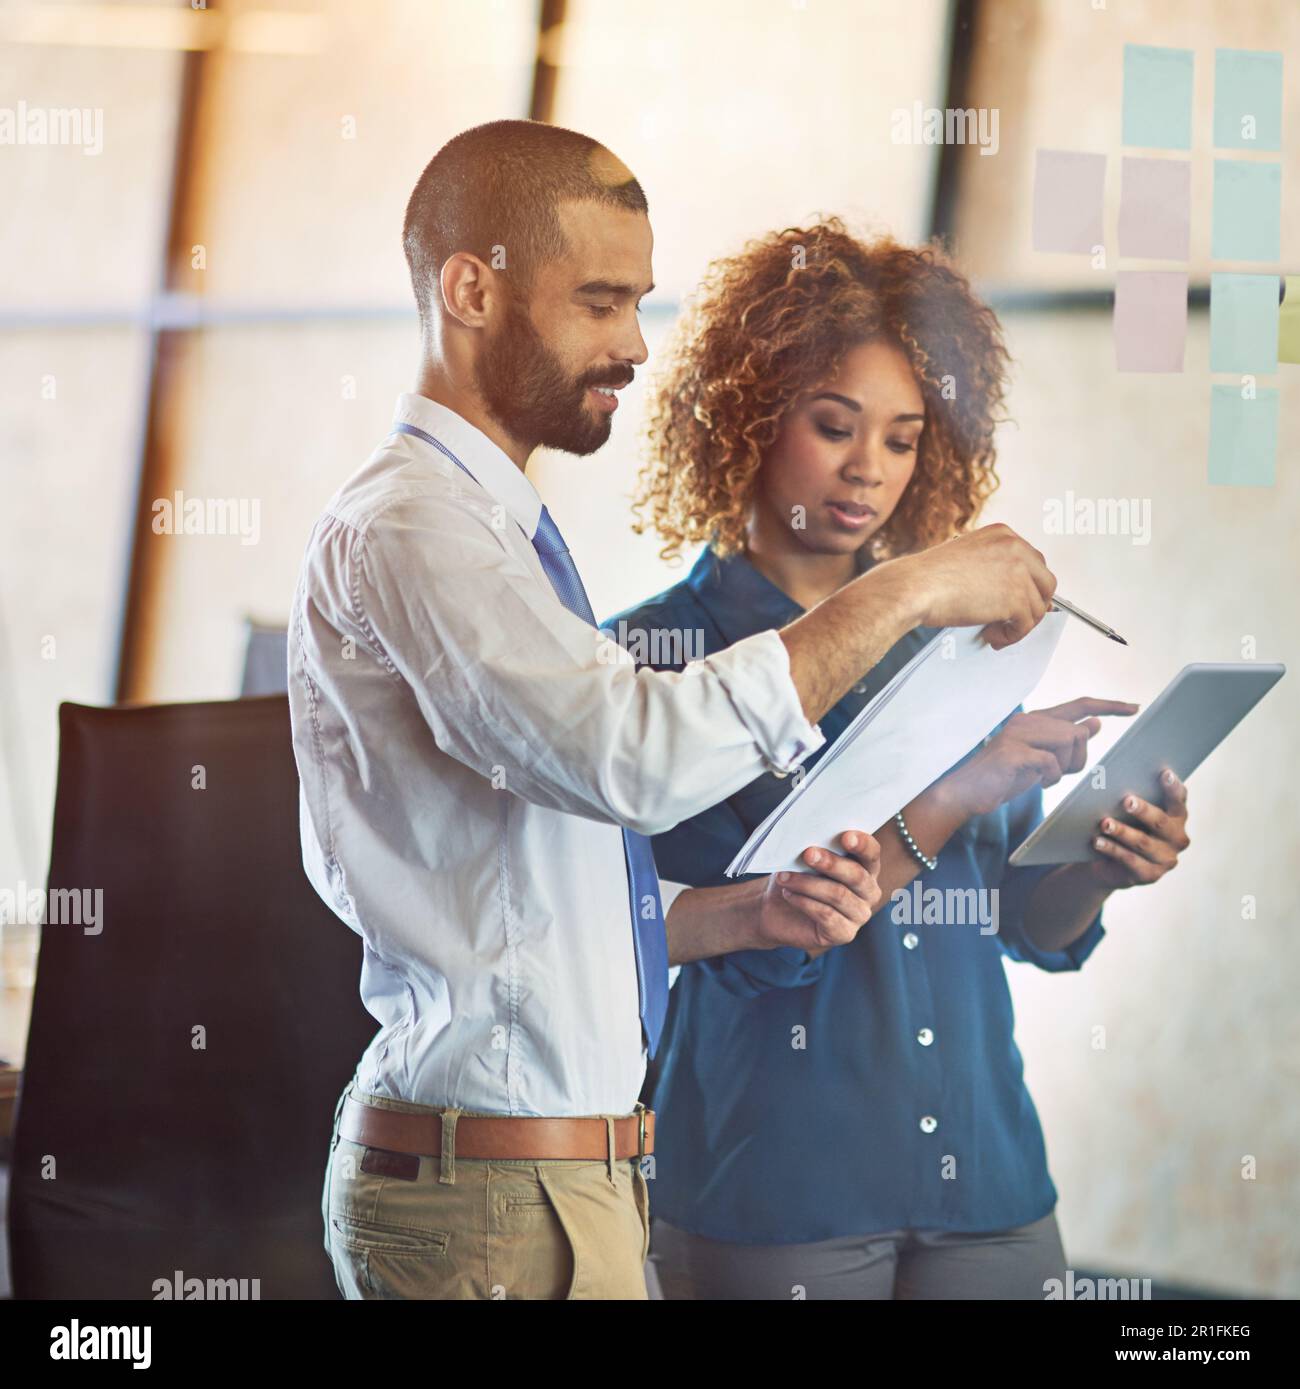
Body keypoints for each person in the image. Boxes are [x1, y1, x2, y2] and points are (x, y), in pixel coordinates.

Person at [288, 124, 1059, 1301]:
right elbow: (633, 762)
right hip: (510, 1187)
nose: (633, 347)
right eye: (599, 303)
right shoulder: (414, 528)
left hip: (570, 1179)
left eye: (638, 304)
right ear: (470, 289)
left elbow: (566, 896)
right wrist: (915, 588)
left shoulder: (498, 541)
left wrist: (749, 915)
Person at [605, 219, 1191, 1300]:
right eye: (834, 426)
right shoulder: (652, 661)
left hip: (993, 1194)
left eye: (903, 438)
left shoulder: (956, 648)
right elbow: (744, 945)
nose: (867, 471)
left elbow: (1025, 926)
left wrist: (1100, 864)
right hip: (774, 1190)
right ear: (745, 417)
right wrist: (956, 793)